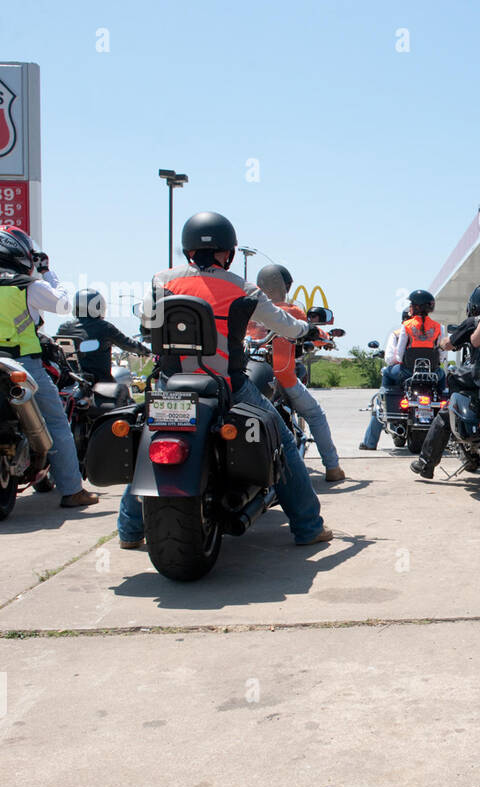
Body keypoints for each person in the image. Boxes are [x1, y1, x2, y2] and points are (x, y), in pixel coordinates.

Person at [115, 211, 332, 549]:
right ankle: (307, 526)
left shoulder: (161, 281)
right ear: (228, 251)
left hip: (171, 385)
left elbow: (144, 316)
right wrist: (309, 328)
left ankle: (129, 532)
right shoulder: (242, 289)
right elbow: (285, 325)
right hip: (228, 386)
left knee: (150, 445)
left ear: (187, 250)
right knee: (282, 444)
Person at [0, 227, 100, 512]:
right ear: (18, 251)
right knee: (56, 424)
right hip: (22, 363)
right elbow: (63, 303)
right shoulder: (26, 284)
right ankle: (72, 490)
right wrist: (47, 272)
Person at [251, 264, 345, 482]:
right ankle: (332, 468)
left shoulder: (249, 310)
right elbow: (312, 332)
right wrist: (326, 339)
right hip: (282, 376)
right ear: (285, 286)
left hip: (249, 374)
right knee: (315, 414)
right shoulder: (291, 311)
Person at [410, 283, 480, 479]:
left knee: (446, 411)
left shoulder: (474, 322)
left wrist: (442, 343)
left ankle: (426, 463)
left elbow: (449, 344)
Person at [56, 290, 151, 383]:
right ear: (99, 306)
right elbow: (128, 344)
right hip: (99, 381)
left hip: (71, 380)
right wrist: (146, 351)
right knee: (122, 391)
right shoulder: (104, 327)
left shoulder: (64, 328)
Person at [359, 315, 408, 450]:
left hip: (402, 373)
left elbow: (390, 358)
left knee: (381, 403)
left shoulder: (398, 333)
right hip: (426, 375)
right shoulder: (430, 331)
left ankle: (370, 442)